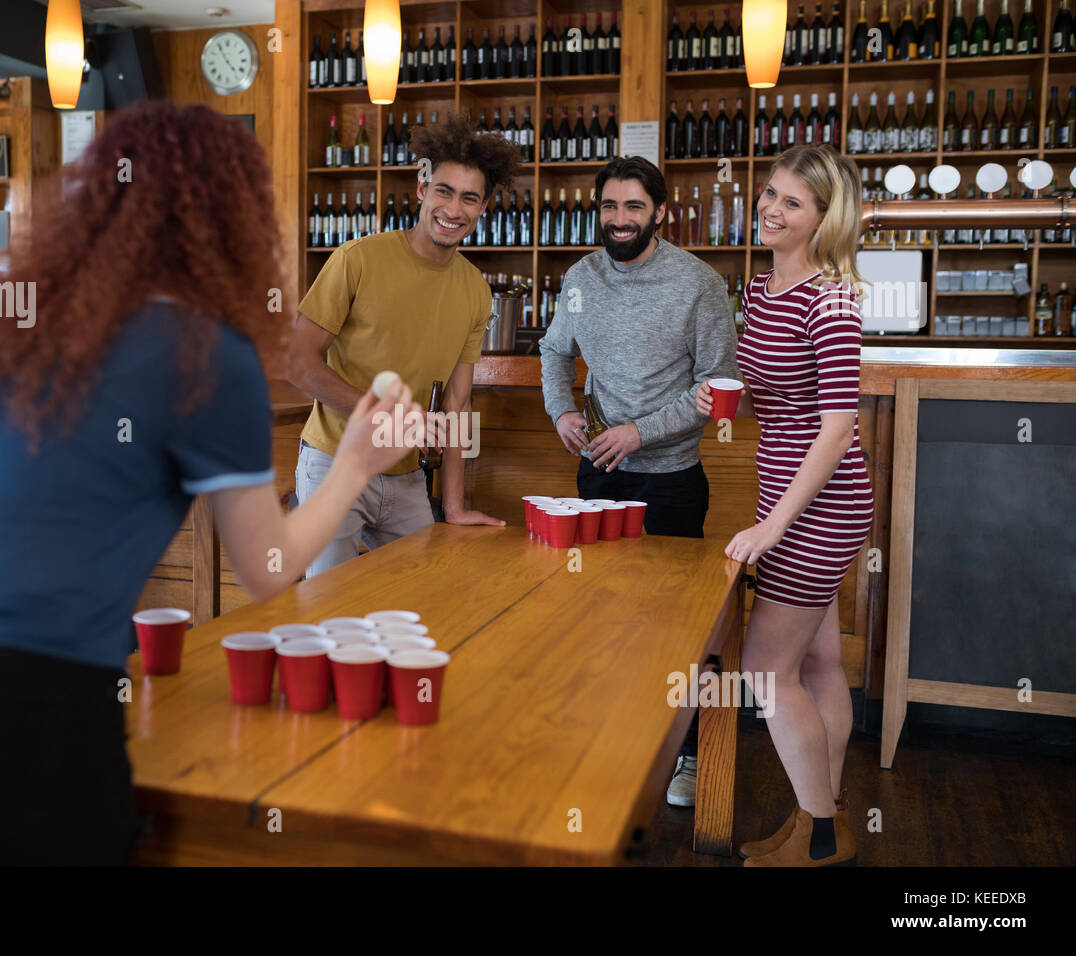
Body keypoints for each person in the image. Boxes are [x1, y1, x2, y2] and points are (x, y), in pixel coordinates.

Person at [0, 102, 424, 866]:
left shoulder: (31, 331)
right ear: (232, 218)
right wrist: (359, 461)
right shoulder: (206, 352)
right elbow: (266, 571)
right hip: (11, 725)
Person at [538, 156, 739, 807]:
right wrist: (561, 409)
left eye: (632, 207)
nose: (619, 220)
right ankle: (613, 739)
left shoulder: (697, 284)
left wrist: (639, 433)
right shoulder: (579, 278)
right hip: (594, 479)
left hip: (671, 482)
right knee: (596, 618)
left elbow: (717, 388)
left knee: (676, 629)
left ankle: (685, 757)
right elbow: (553, 348)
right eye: (609, 207)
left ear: (659, 212)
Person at [697, 143, 873, 867]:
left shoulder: (830, 299)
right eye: (769, 193)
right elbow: (783, 401)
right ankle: (820, 825)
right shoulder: (765, 287)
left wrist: (773, 523)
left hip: (819, 505)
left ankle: (819, 837)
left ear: (826, 217)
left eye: (791, 202)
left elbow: (836, 428)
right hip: (790, 493)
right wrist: (724, 401)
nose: (770, 208)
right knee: (821, 664)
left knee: (768, 670)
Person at [287, 114, 520, 578]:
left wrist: (453, 505)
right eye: (444, 191)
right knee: (325, 611)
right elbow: (298, 363)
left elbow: (458, 401)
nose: (454, 209)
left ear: (485, 206)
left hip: (408, 477)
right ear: (421, 188)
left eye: (469, 198)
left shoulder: (475, 289)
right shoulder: (356, 260)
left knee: (428, 599)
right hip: (336, 465)